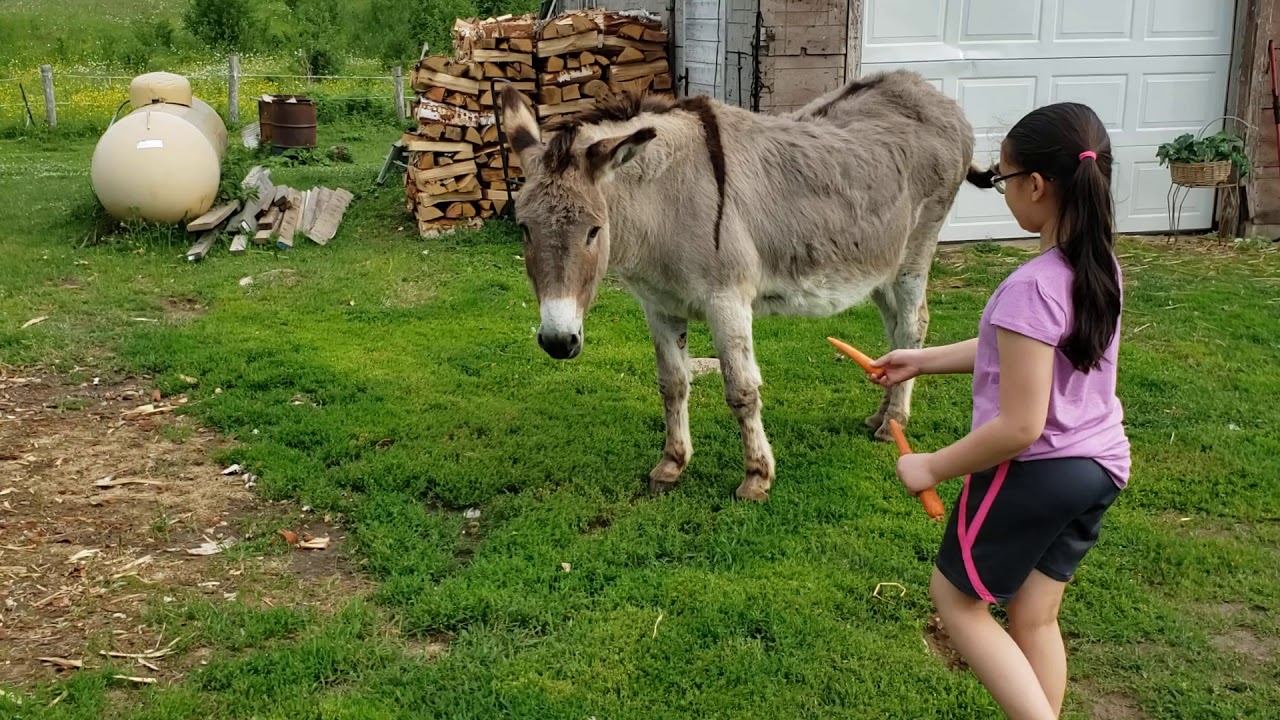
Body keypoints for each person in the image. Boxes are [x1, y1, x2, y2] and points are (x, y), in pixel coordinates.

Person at [870, 102, 1131, 720]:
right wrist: (921, 359)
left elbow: (1020, 425)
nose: (1004, 192)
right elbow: (1016, 353)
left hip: (1036, 473)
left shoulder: (1032, 284)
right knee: (1034, 616)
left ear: (1036, 186)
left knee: (956, 601)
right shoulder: (1096, 269)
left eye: (1003, 180)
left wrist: (933, 466)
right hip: (1099, 467)